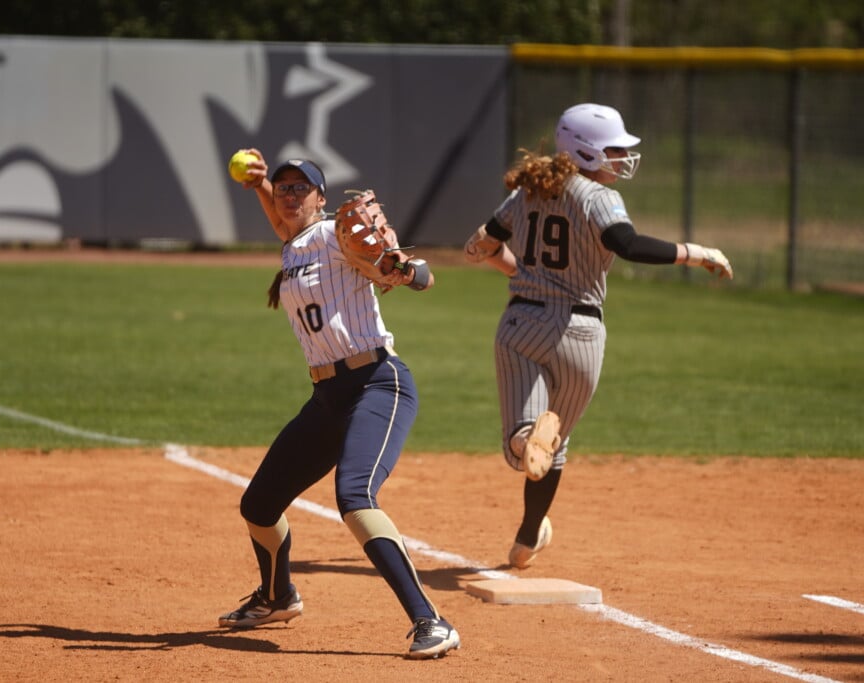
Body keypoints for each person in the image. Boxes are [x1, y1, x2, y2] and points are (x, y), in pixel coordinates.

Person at [463, 103, 733, 570]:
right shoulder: (598, 197)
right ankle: (527, 538)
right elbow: (627, 245)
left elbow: (480, 246)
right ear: (585, 151)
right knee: (556, 445)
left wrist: (519, 271)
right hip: (580, 334)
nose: (621, 158)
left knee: (525, 441)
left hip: (521, 323)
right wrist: (695, 252)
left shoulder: (527, 192)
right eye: (613, 149)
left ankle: (524, 443)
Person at [219, 150, 459, 660]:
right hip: (328, 398)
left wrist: (405, 269)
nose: (289, 195)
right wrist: (260, 186)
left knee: (355, 496)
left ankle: (431, 621)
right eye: (284, 187)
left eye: (300, 187)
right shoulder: (293, 246)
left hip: (378, 384)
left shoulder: (335, 235)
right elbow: (285, 225)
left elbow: (422, 276)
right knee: (258, 505)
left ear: (321, 198)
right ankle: (278, 597)